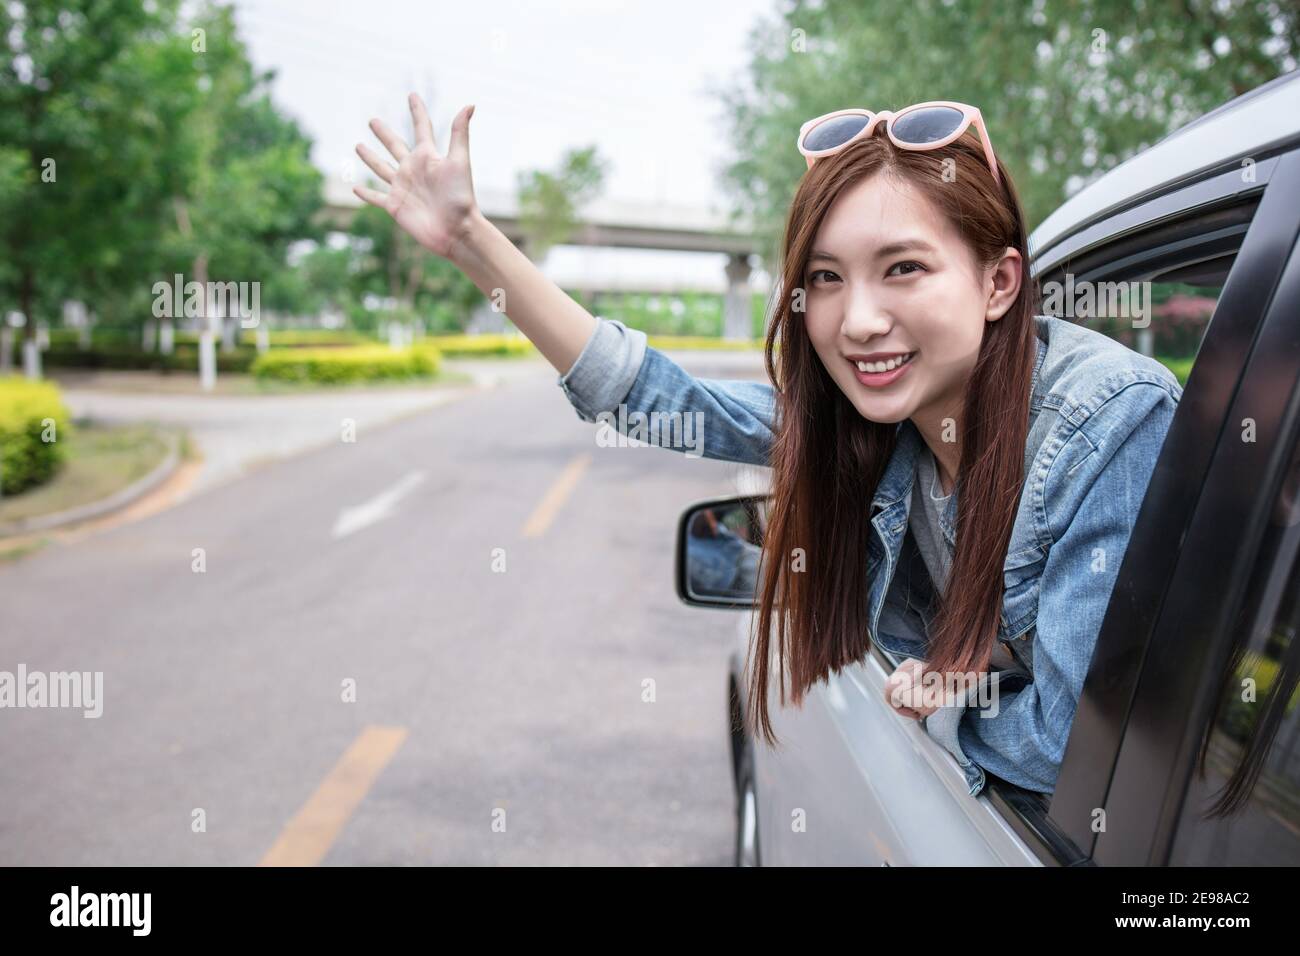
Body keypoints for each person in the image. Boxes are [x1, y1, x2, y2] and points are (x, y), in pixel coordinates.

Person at [354, 96, 1182, 797]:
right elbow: (653, 399)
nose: (856, 321)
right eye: (825, 278)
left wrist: (944, 700)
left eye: (903, 269)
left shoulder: (1105, 425)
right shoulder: (872, 423)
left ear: (999, 282)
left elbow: (1074, 745)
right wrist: (469, 240)